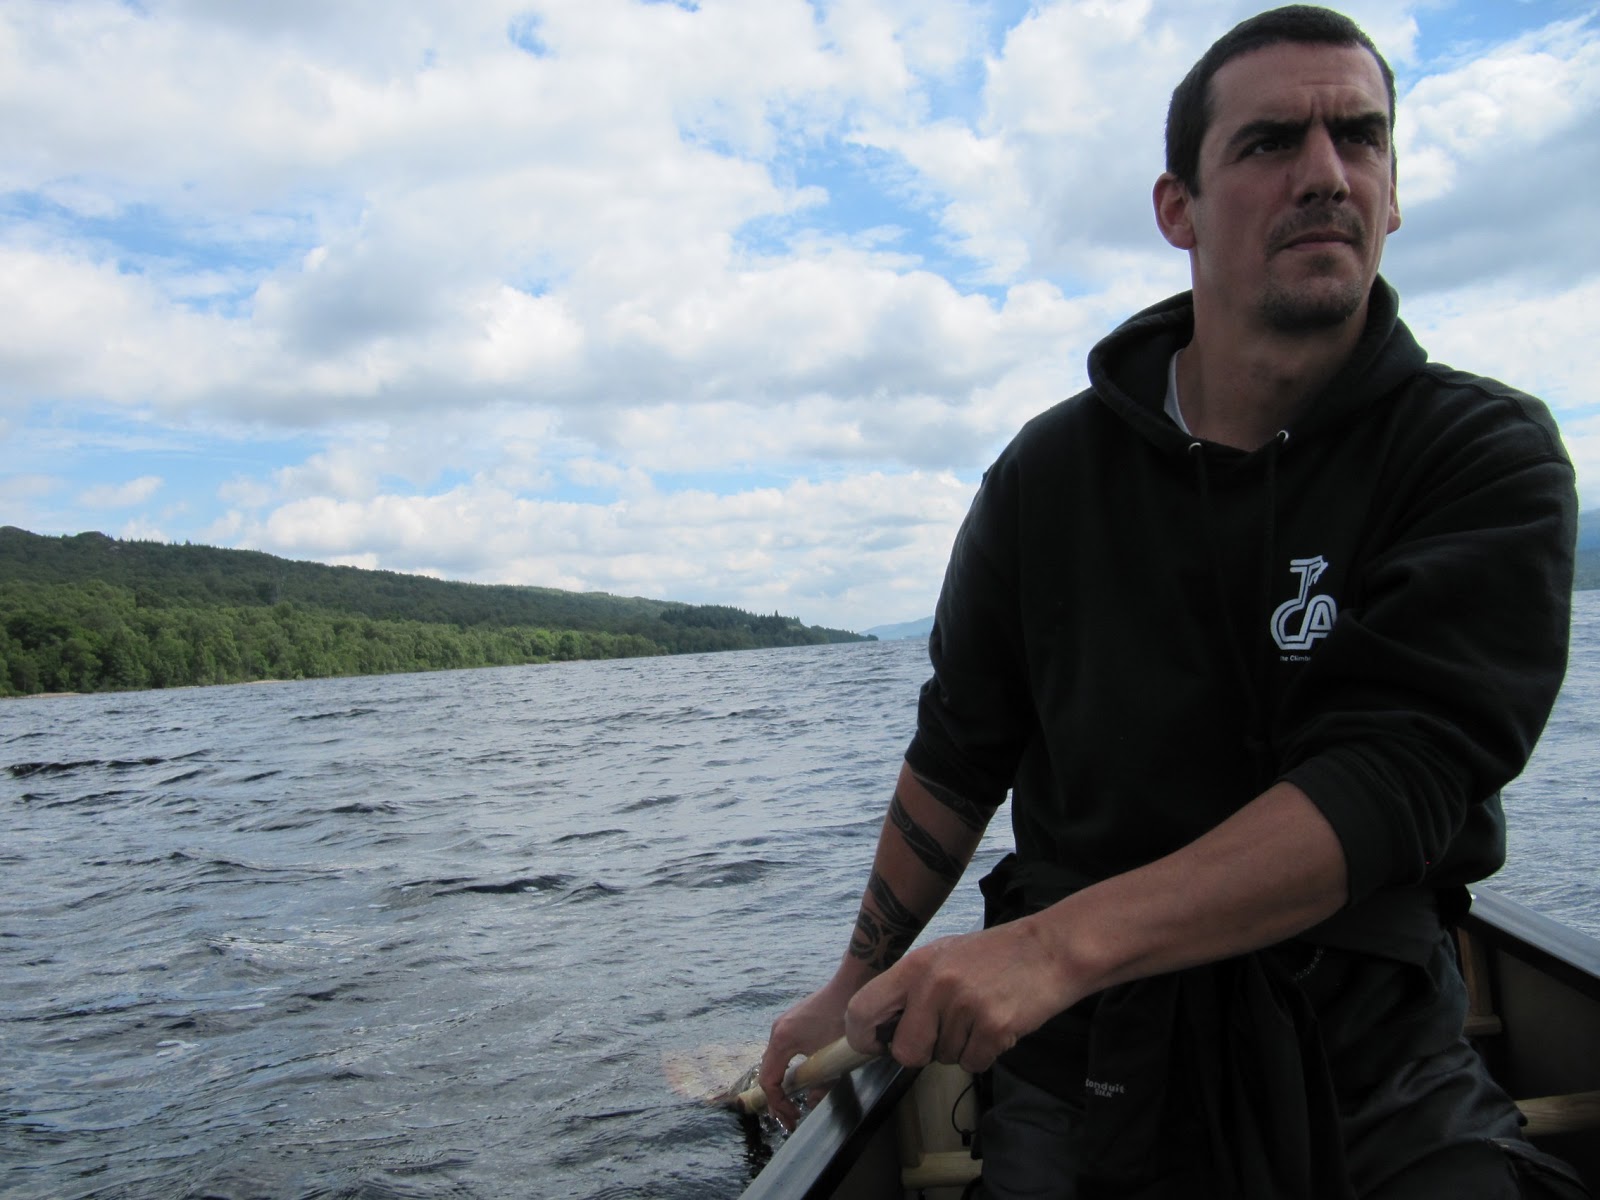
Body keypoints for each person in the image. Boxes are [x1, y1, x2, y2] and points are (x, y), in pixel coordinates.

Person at [757, 6, 1587, 1198]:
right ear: (1176, 208)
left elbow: (1396, 776)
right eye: (1269, 142)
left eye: (1358, 138)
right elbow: (959, 751)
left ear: (1394, 193)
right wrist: (852, 978)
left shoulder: (1477, 452)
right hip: (1089, 1066)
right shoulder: (1046, 480)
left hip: (1368, 1054)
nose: (1324, 172)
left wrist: (1050, 948)